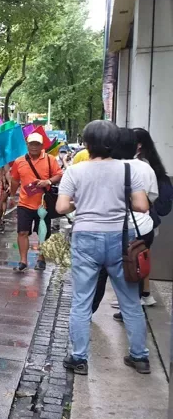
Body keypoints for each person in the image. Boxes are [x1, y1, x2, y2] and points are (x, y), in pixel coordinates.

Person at [57, 120, 151, 376]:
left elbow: (61, 207)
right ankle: (140, 356)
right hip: (121, 239)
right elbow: (142, 206)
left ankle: (78, 358)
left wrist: (80, 202)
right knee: (130, 301)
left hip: (85, 238)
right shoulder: (128, 170)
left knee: (82, 300)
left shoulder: (75, 171)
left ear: (87, 143)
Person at [92, 129, 157, 316]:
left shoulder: (105, 167)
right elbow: (152, 197)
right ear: (136, 146)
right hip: (142, 227)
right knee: (134, 269)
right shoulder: (146, 167)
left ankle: (89, 309)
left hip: (112, 226)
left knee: (102, 271)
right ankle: (132, 310)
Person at [10, 133, 63, 271]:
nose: (34, 147)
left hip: (43, 204)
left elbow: (59, 174)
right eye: (31, 144)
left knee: (43, 234)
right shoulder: (19, 161)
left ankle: (41, 258)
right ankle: (23, 261)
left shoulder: (50, 159)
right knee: (22, 232)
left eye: (37, 144)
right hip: (24, 203)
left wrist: (48, 181)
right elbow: (15, 180)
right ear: (27, 145)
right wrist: (11, 196)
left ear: (42, 146)